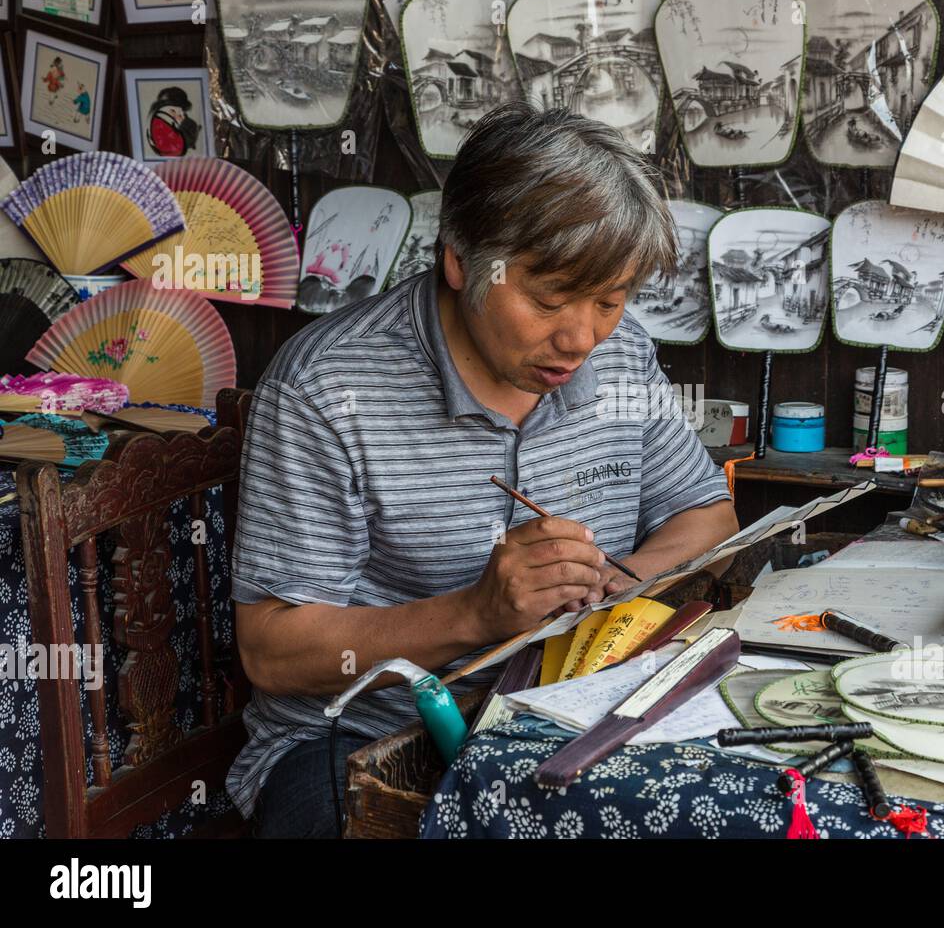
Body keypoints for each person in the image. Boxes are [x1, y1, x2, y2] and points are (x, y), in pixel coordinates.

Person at [227, 102, 739, 837]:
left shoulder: (621, 356)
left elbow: (706, 516)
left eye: (610, 300)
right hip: (361, 737)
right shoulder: (327, 387)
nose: (581, 337)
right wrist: (474, 615)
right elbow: (271, 650)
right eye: (548, 298)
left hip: (564, 715)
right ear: (461, 258)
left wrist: (612, 586)